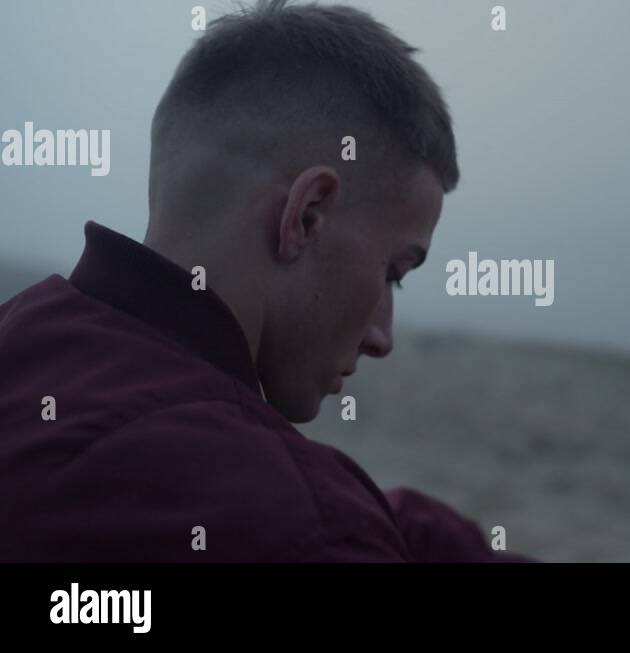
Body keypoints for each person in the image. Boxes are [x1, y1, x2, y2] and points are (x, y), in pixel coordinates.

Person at [0, 0, 531, 562]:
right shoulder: (299, 526)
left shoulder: (28, 352)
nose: (382, 337)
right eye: (393, 273)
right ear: (306, 216)